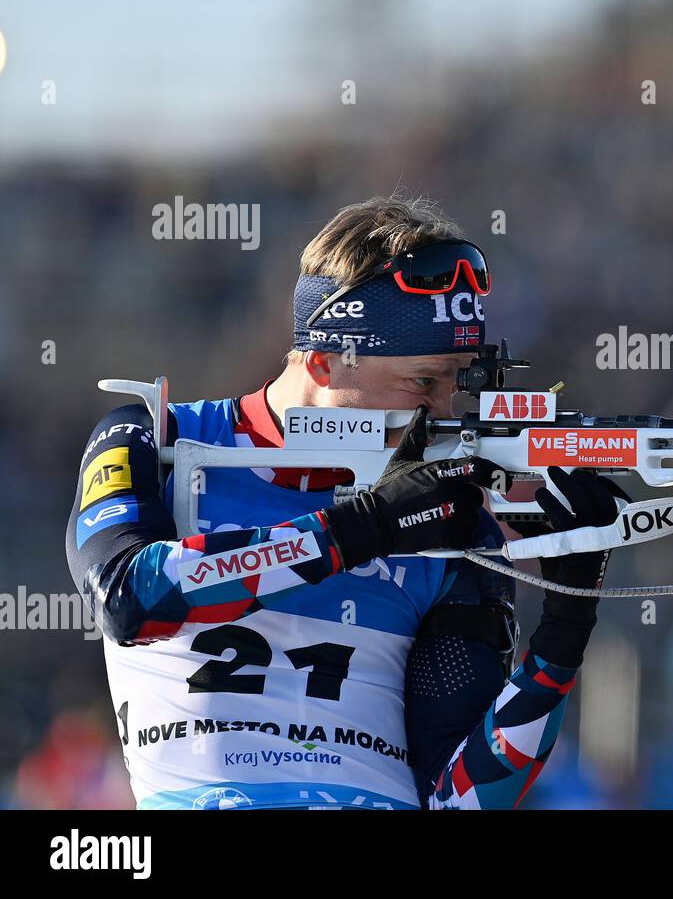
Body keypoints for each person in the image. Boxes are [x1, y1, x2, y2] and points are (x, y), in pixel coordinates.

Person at [65, 195, 622, 809]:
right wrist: (366, 527)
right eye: (422, 383)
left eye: (457, 382)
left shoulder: (444, 519)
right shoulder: (156, 438)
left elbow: (457, 801)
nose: (442, 414)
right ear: (327, 362)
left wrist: (565, 630)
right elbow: (126, 597)